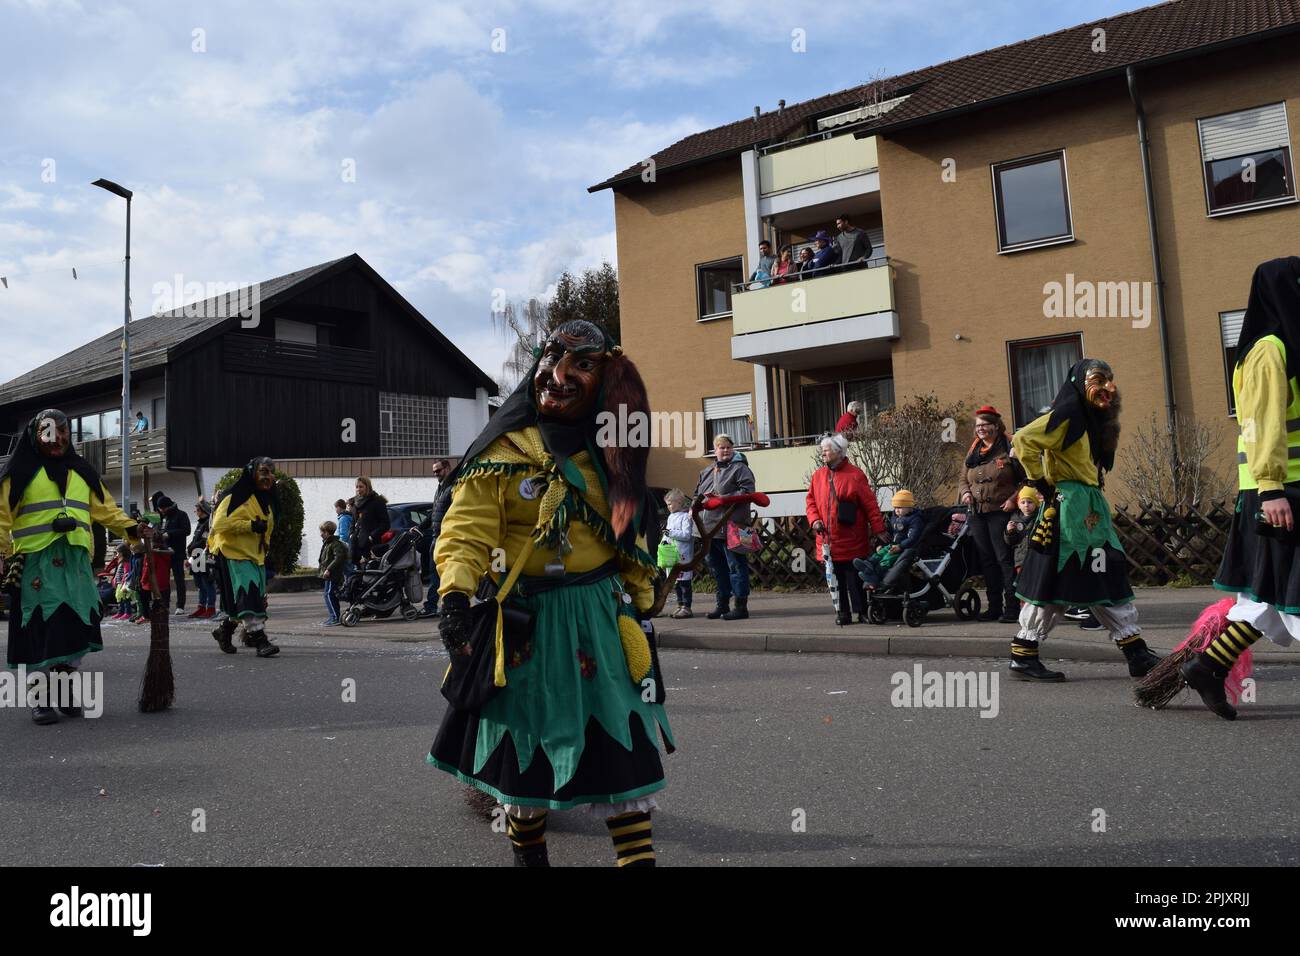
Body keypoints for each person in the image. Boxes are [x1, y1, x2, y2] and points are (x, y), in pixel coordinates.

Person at [429, 319, 672, 867]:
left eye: (581, 365)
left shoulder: (611, 453)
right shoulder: (503, 451)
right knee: (527, 753)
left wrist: (643, 596)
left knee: (623, 751)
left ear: (606, 380)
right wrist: (453, 598)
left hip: (601, 624)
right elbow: (465, 536)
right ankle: (529, 857)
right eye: (551, 359)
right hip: (525, 624)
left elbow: (627, 538)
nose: (558, 376)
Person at [1179, 257, 1300, 719]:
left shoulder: (1282, 345)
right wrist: (1272, 489)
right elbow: (1265, 425)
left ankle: (1208, 666)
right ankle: (1207, 666)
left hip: (1280, 489)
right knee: (1284, 592)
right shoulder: (1270, 349)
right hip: (1281, 490)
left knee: (1268, 594)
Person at [1010, 360, 1160, 682]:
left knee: (1099, 574)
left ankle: (1135, 651)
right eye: (1099, 380)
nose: (1108, 388)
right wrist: (1040, 482)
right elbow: (1023, 440)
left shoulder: (1090, 424)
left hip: (1088, 509)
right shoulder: (1067, 418)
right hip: (1069, 513)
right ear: (1080, 383)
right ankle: (1025, 653)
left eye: (1110, 380)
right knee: (1067, 579)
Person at [0, 409, 141, 724]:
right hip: (35, 563)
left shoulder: (83, 472)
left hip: (76, 564)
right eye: (50, 432)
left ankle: (63, 692)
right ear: (36, 435)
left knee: (74, 626)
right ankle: (40, 699)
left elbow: (106, 511)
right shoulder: (19, 472)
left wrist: (133, 531)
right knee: (38, 628)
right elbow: (0, 519)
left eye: (63, 432)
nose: (58, 438)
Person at [807, 434, 886, 625]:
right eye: (823, 449)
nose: (823, 452)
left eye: (827, 449)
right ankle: (842, 612)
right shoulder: (818, 476)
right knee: (836, 580)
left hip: (851, 538)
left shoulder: (855, 475)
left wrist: (879, 529)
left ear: (839, 452)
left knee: (854, 579)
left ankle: (862, 611)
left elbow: (870, 505)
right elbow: (810, 502)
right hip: (828, 540)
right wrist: (815, 520)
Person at [959, 406, 1026, 624]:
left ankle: (1012, 607)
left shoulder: (1009, 448)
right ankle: (994, 607)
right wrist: (966, 493)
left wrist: (1013, 499)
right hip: (977, 513)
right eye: (977, 426)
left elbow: (1025, 480)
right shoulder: (973, 453)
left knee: (1003, 560)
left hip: (1000, 512)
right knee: (987, 561)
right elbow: (962, 479)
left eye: (984, 425)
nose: (980, 429)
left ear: (995, 426)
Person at [208, 457, 281, 658]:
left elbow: (268, 529)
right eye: (264, 471)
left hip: (255, 555)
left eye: (271, 472)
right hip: (234, 554)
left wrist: (267, 551)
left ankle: (224, 631)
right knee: (247, 595)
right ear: (252, 473)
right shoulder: (235, 496)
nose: (268, 477)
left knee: (247, 599)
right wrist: (249, 526)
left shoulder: (266, 499)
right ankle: (259, 640)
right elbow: (219, 525)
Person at [694, 433, 758, 621]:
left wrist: (724, 499)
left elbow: (748, 492)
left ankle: (740, 606)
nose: (726, 450)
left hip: (732, 528)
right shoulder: (706, 471)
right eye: (722, 447)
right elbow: (697, 494)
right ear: (715, 450)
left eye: (728, 447)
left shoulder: (740, 469)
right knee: (717, 568)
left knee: (736, 567)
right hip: (709, 530)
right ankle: (722, 605)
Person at [855, 490, 924, 591]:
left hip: (902, 547)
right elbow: (889, 532)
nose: (897, 510)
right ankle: (869, 564)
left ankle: (876, 573)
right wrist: (881, 544)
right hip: (892, 544)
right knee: (880, 553)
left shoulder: (915, 520)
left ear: (909, 508)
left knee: (887, 559)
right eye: (895, 507)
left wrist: (900, 546)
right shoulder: (895, 518)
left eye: (900, 507)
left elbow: (913, 538)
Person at [419, 459, 451, 619]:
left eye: (438, 471)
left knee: (444, 574)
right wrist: (419, 527)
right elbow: (434, 512)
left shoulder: (453, 487)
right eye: (434, 472)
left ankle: (443, 605)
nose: (436, 474)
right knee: (435, 573)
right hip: (436, 536)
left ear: (447, 468)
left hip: (447, 538)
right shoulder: (440, 489)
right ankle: (432, 605)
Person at [662, 489, 697, 619]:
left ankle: (686, 607)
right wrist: (664, 543)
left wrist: (670, 533)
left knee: (684, 583)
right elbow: (667, 534)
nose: (668, 507)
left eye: (670, 504)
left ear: (680, 502)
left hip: (683, 555)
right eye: (667, 504)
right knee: (676, 582)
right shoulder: (671, 517)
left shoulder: (686, 517)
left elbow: (687, 535)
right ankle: (679, 605)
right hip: (672, 555)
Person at [157, 496, 191, 615]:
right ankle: (165, 604)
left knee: (179, 579)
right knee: (164, 579)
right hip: (165, 552)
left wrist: (169, 534)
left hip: (177, 552)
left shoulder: (181, 515)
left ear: (166, 507)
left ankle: (180, 605)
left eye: (161, 508)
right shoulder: (164, 517)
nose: (161, 511)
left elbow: (187, 530)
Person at [350, 476, 390, 566]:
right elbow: (353, 521)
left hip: (371, 546)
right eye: (357, 487)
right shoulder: (355, 502)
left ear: (367, 487)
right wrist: (351, 533)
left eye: (361, 487)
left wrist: (371, 537)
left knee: (369, 574)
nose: (358, 489)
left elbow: (385, 524)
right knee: (356, 575)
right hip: (356, 545)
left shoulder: (377, 501)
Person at [186, 499, 216, 618]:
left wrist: (192, 546)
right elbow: (195, 539)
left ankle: (211, 607)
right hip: (196, 556)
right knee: (199, 583)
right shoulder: (200, 523)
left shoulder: (208, 523)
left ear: (202, 510)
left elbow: (205, 541)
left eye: (197, 509)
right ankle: (201, 606)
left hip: (204, 556)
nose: (195, 512)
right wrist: (189, 548)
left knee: (207, 583)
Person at [318, 520, 347, 626]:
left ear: (326, 532)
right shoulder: (328, 543)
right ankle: (333, 616)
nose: (320, 534)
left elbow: (339, 557)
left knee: (329, 595)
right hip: (329, 574)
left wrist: (328, 569)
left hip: (332, 574)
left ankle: (335, 617)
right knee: (328, 595)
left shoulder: (334, 544)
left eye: (321, 531)